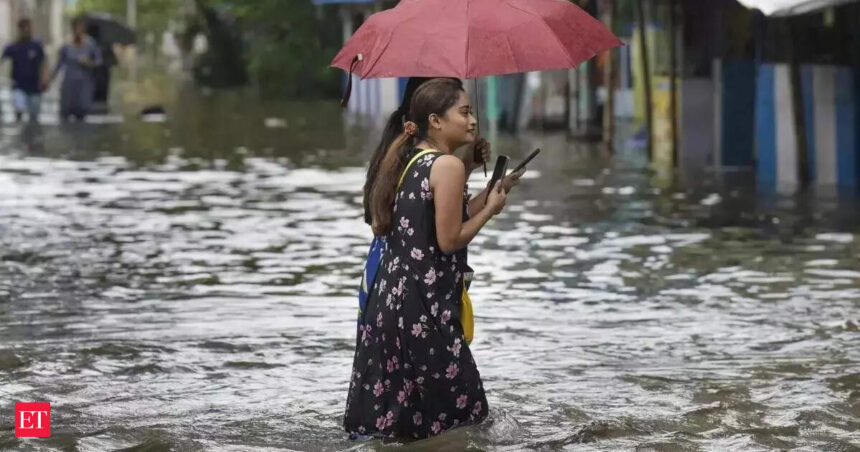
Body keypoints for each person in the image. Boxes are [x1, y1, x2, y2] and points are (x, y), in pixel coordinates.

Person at [344, 78, 521, 440]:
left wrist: (488, 192)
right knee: (465, 412)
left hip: (389, 306)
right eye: (465, 112)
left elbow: (435, 221)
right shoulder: (447, 166)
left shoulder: (409, 158)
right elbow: (449, 239)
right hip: (422, 311)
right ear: (436, 121)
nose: (473, 121)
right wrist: (490, 212)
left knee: (402, 421)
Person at [47, 16, 102, 122]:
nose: (78, 31)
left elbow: (99, 61)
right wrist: (50, 79)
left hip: (84, 84)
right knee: (65, 114)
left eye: (80, 28)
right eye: (76, 28)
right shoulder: (66, 45)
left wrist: (89, 62)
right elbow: (59, 64)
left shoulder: (90, 44)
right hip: (69, 84)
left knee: (82, 112)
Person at [1, 19, 47, 122]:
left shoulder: (37, 45)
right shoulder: (13, 47)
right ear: (19, 30)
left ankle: (32, 136)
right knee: (19, 110)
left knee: (34, 117)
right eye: (23, 28)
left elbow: (44, 61)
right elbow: (2, 59)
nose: (26, 30)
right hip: (18, 86)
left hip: (35, 87)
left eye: (28, 28)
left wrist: (45, 77)